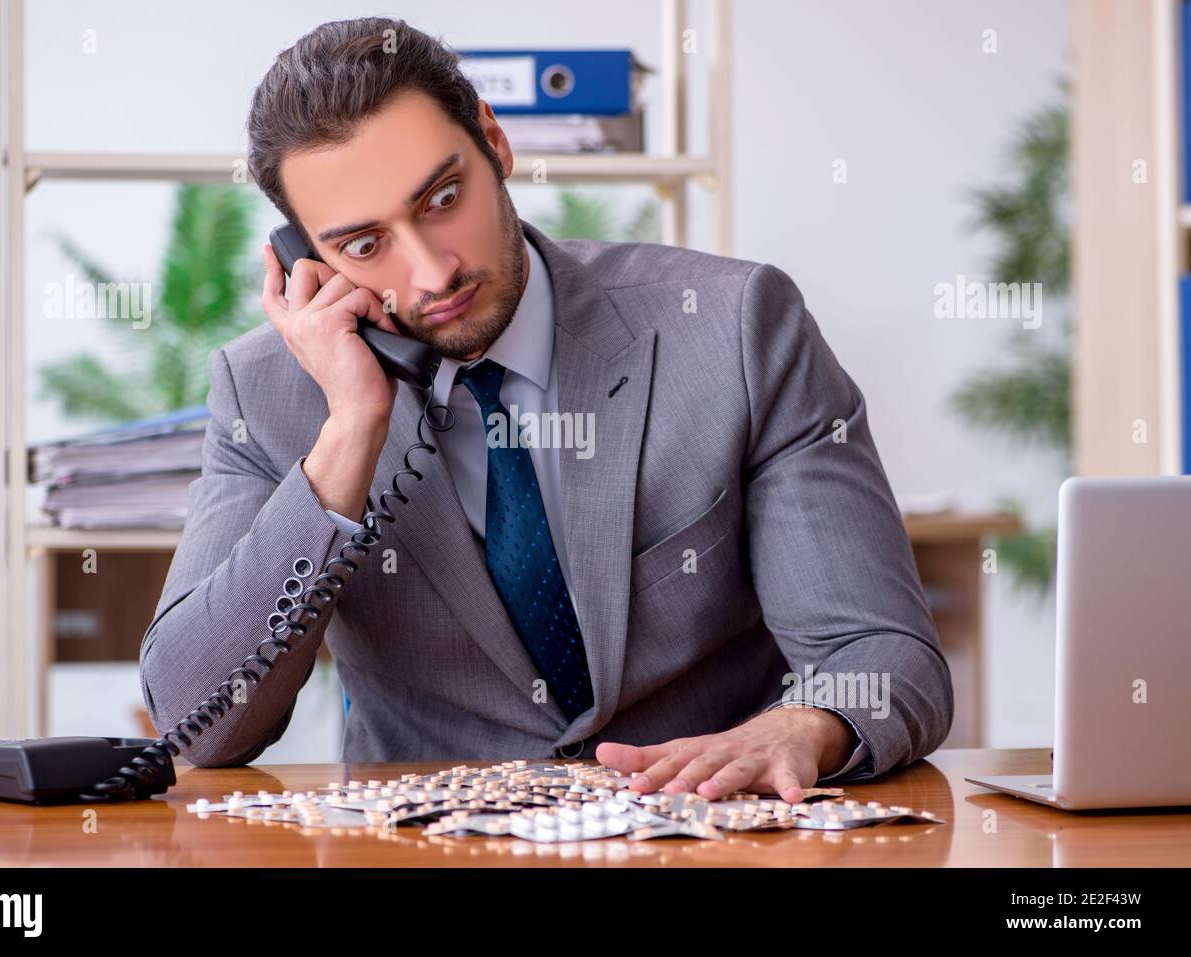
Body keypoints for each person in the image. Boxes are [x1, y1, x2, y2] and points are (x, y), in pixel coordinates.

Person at [139, 17, 952, 804]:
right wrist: (350, 430)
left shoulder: (735, 327)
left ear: (495, 141)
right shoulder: (268, 393)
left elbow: (879, 650)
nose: (431, 272)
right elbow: (196, 722)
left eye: (443, 196)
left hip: (706, 838)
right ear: (309, 261)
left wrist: (802, 727)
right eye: (363, 245)